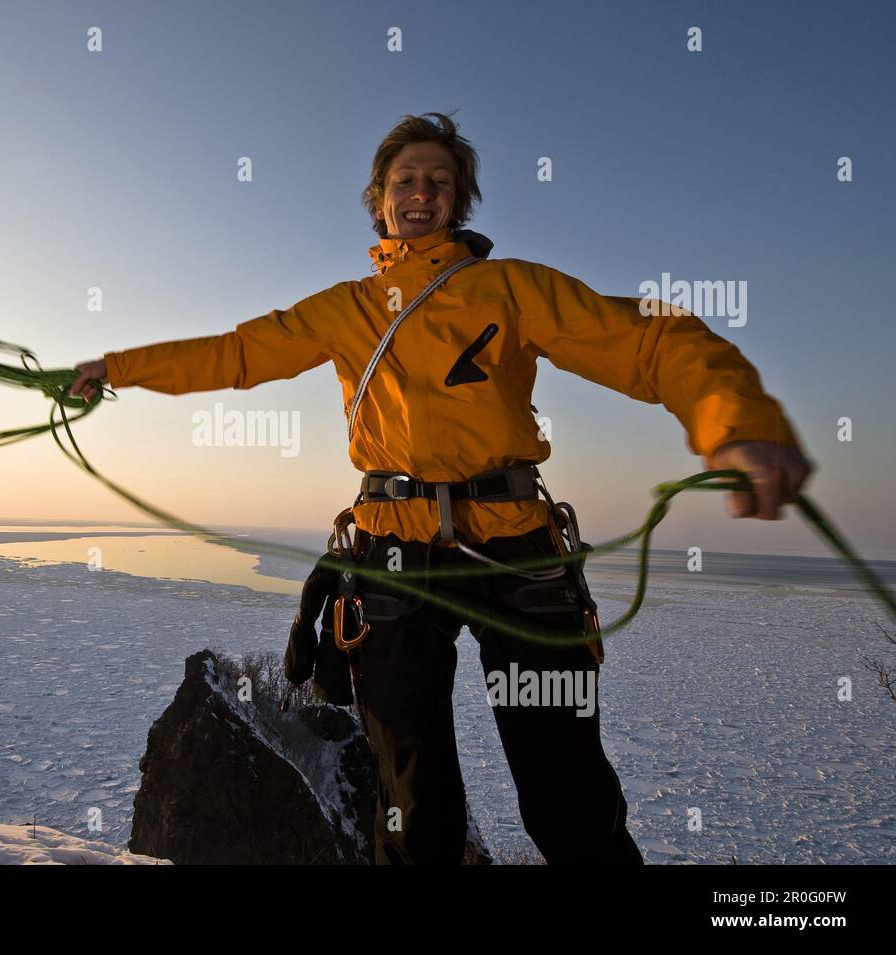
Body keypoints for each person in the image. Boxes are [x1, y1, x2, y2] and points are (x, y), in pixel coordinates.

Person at [69, 112, 813, 864]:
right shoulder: (345, 308)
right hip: (392, 551)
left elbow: (650, 338)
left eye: (439, 181)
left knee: (568, 796)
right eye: (405, 181)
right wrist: (116, 369)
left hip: (516, 547)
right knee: (414, 808)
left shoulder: (509, 288)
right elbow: (231, 354)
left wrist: (738, 424)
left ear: (458, 200)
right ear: (380, 198)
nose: (420, 193)